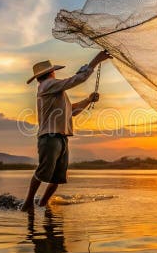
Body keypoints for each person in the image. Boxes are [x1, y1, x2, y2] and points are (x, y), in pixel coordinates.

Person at [21, 51, 111, 210]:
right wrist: (96, 60)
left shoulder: (54, 91)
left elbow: (72, 111)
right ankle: (28, 203)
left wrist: (88, 100)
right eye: (54, 71)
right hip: (49, 138)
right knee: (43, 172)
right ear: (51, 73)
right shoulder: (47, 85)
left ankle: (43, 203)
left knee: (57, 178)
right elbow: (77, 79)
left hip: (61, 139)